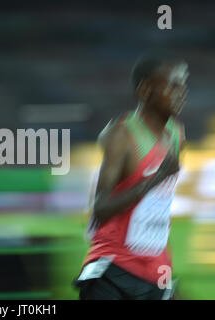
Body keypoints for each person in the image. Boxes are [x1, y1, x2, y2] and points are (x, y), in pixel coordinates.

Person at [75, 55, 188, 300]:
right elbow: (100, 208)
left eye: (183, 85)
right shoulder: (121, 135)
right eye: (172, 86)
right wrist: (155, 178)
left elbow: (158, 207)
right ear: (146, 90)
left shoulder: (177, 134)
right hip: (113, 269)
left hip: (155, 269)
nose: (181, 92)